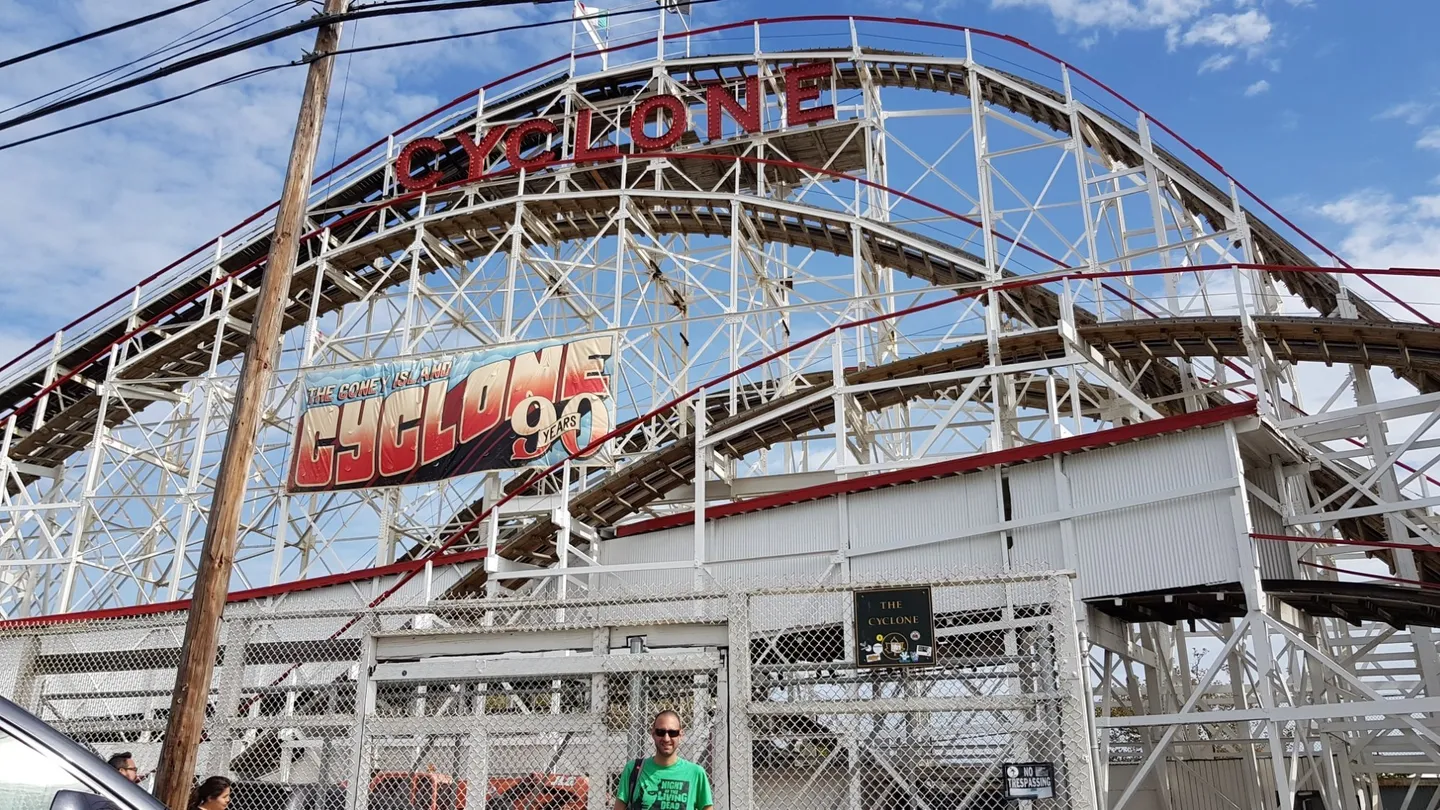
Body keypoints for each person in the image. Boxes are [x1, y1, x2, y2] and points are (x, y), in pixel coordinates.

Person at [613, 711, 713, 810]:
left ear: (680, 734)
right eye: (660, 732)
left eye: (672, 733)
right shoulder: (634, 769)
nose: (666, 738)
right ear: (653, 733)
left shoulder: (696, 773)